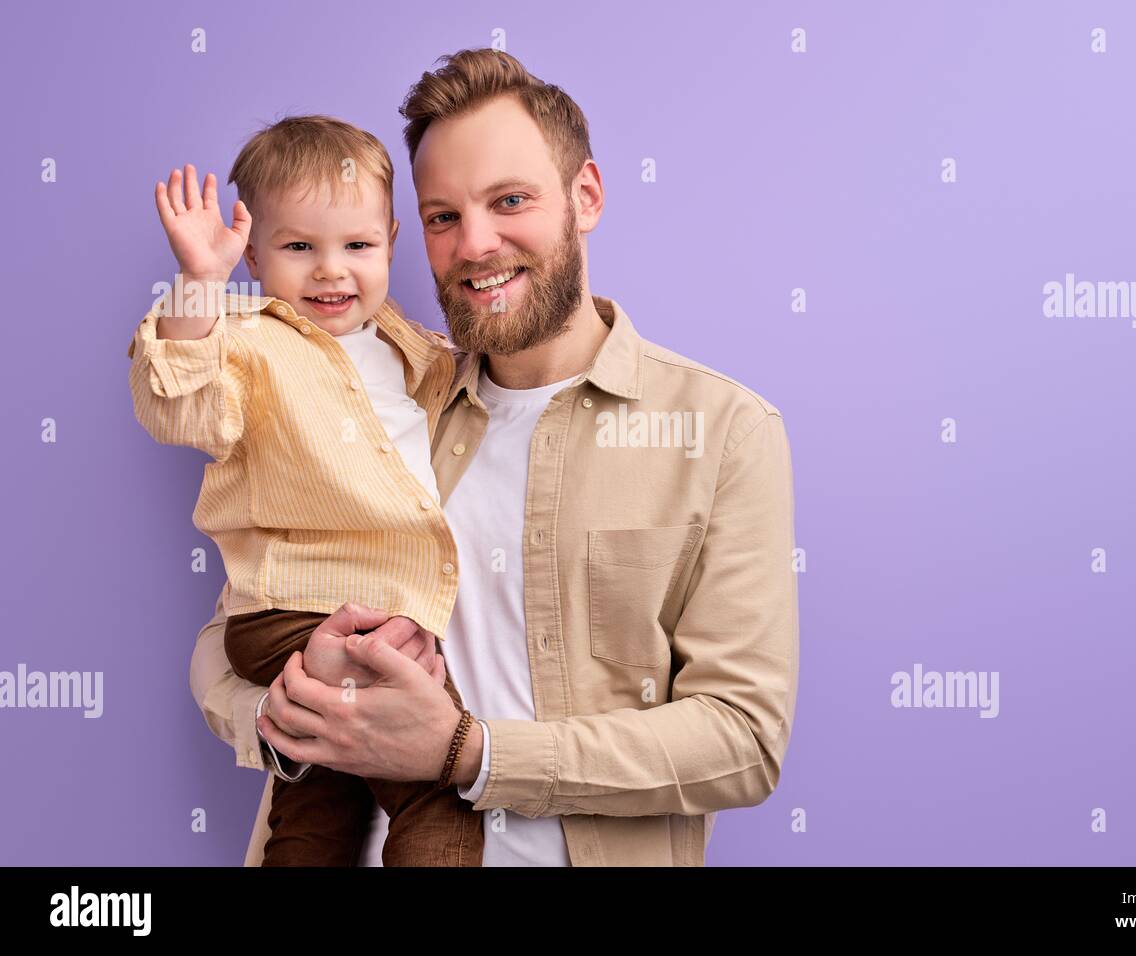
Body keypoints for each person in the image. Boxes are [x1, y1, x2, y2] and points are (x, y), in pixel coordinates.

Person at [190, 47, 800, 867]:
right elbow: (224, 641)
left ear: (585, 197)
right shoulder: (389, 408)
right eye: (443, 217)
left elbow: (744, 739)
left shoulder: (721, 430)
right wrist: (294, 707)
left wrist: (469, 754)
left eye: (509, 200)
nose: (475, 244)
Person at [130, 116, 483, 866]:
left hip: (368, 610)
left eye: (356, 246)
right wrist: (199, 284)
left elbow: (463, 402)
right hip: (296, 608)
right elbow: (178, 404)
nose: (330, 271)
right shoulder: (252, 340)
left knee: (320, 803)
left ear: (390, 240)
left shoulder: (407, 347)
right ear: (253, 251)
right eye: (299, 248)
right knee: (435, 789)